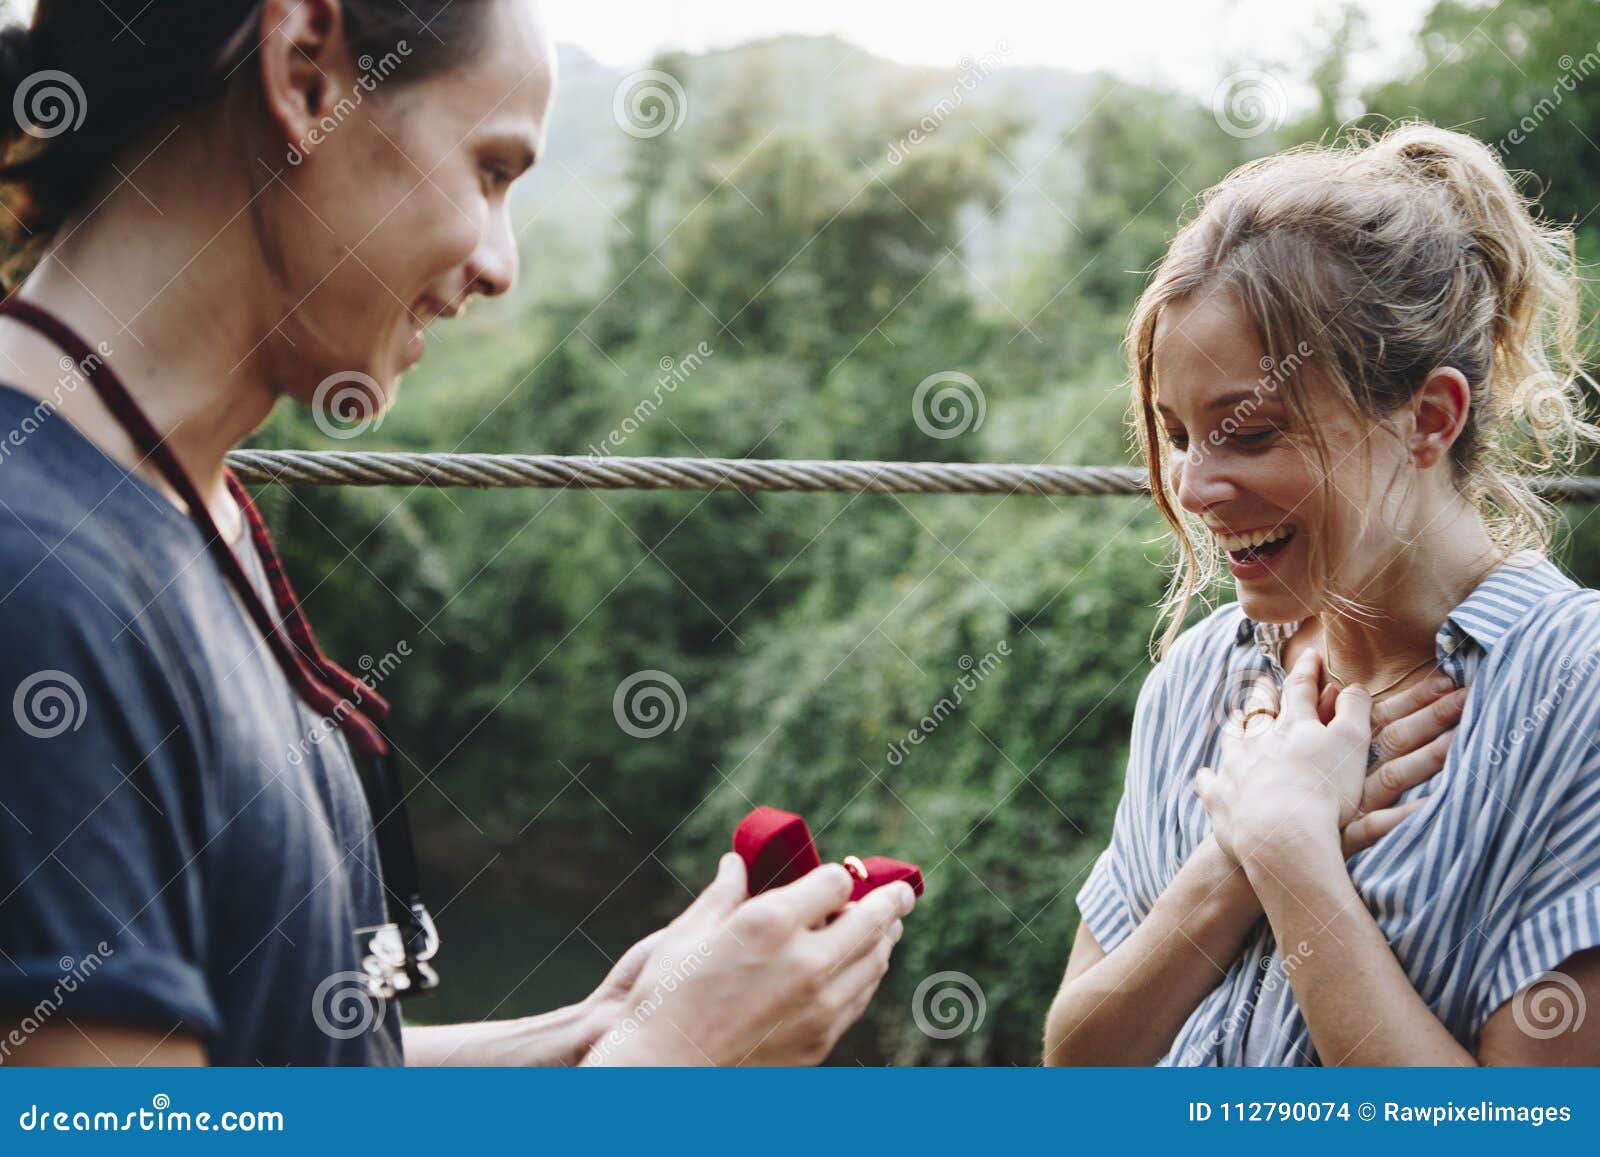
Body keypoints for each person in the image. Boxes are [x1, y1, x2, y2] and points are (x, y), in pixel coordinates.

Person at [0, 0, 914, 1067]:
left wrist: (590, 1033)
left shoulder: (185, 511)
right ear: (305, 74)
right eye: (488, 171)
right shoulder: (36, 578)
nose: (499, 264)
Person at [1044, 123, 1600, 1066]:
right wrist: (1230, 867)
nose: (1193, 487)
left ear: (1428, 420)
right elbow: (1081, 1067)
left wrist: (1293, 860)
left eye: (1251, 432)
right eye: (1178, 434)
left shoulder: (1574, 689)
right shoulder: (1197, 676)